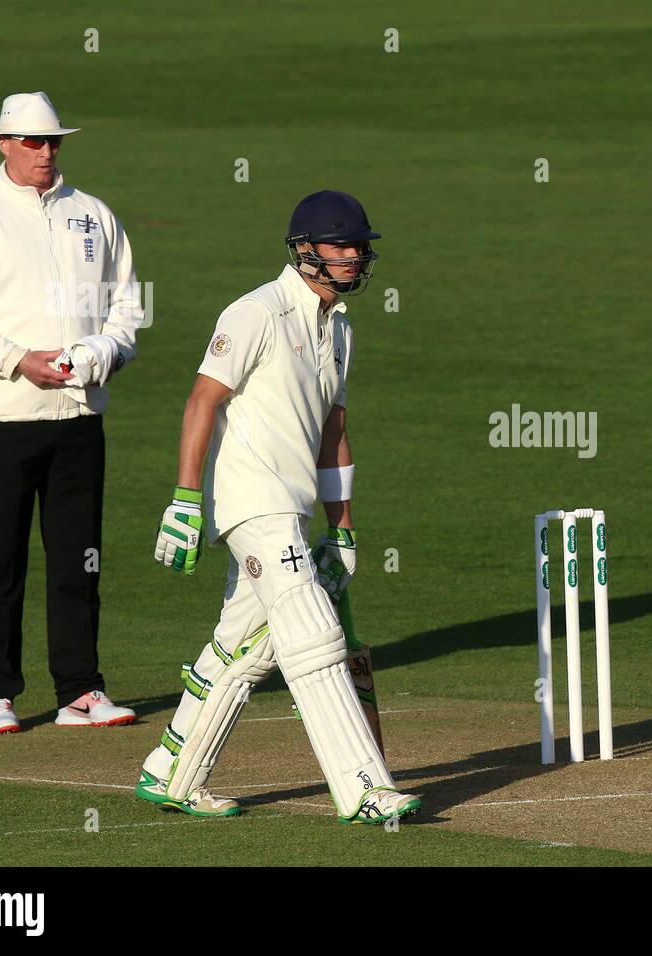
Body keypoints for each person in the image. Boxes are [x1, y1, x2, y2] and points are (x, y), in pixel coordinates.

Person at [136, 190, 421, 824]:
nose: (353, 256)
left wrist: (342, 528)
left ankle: (172, 772)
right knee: (314, 635)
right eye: (341, 246)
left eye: (359, 247)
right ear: (304, 251)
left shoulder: (339, 327)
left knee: (247, 646)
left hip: (290, 508)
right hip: (250, 501)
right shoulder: (255, 313)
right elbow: (201, 402)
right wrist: (184, 500)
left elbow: (333, 430)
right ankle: (364, 789)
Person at [0, 92, 143, 734]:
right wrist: (18, 359)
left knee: (79, 558)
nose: (45, 152)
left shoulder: (92, 215)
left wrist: (101, 351)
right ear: (4, 144)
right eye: (32, 142)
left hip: (78, 416)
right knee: (0, 559)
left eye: (53, 142)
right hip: (4, 417)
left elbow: (128, 307)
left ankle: (80, 689)